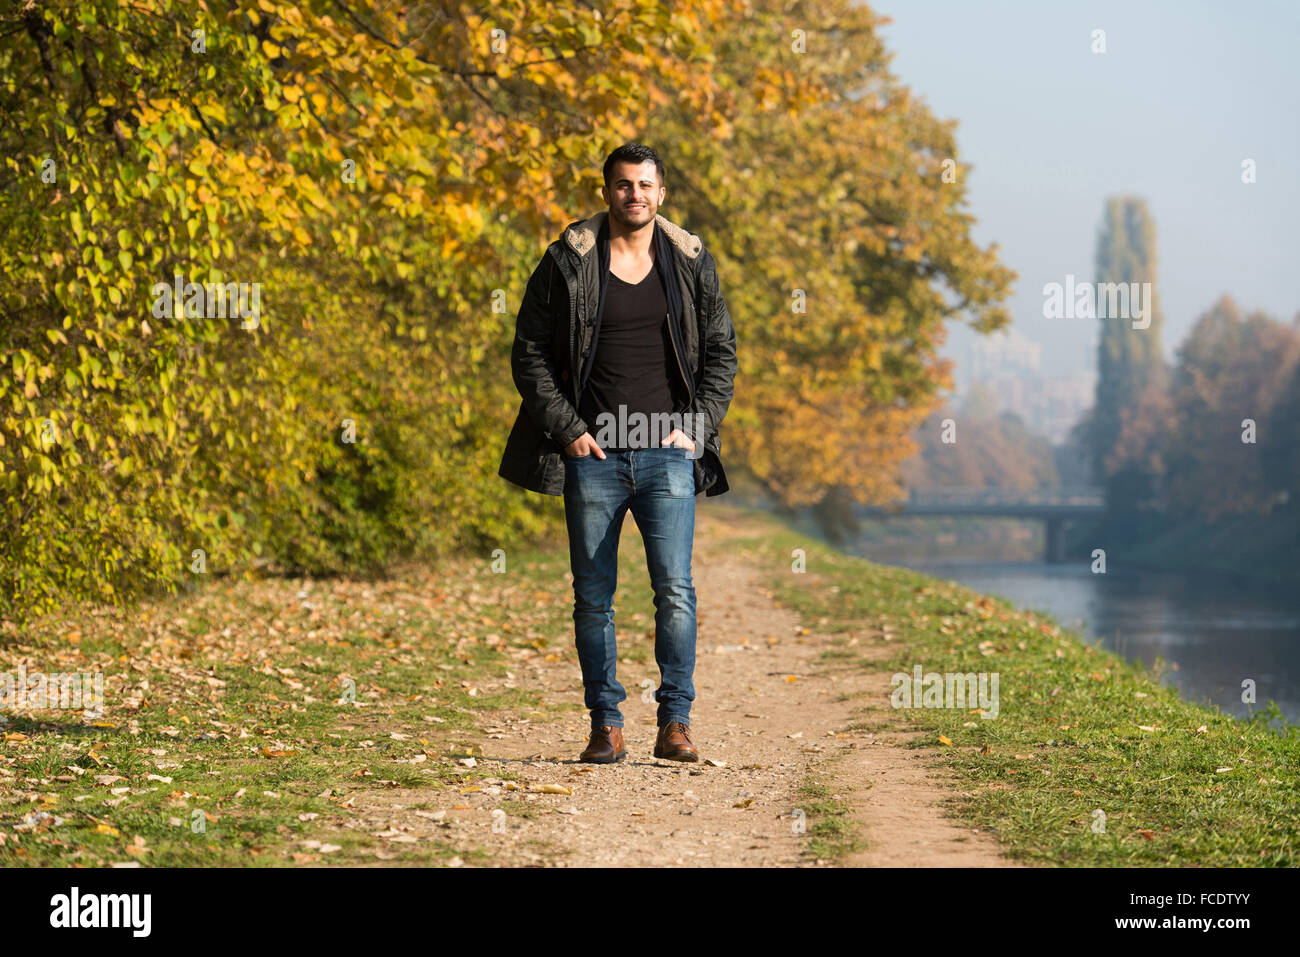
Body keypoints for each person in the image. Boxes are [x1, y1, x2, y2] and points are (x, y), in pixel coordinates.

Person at [498, 143, 738, 763]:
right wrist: (568, 429)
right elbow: (529, 353)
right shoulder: (567, 261)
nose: (635, 194)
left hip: (668, 457)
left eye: (646, 185)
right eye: (624, 184)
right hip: (594, 457)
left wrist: (699, 426)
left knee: (675, 592)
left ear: (662, 194)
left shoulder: (689, 261)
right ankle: (606, 723)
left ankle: (675, 723)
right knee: (592, 596)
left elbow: (720, 354)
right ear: (606, 191)